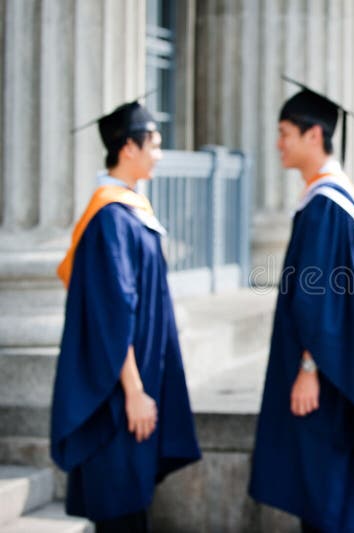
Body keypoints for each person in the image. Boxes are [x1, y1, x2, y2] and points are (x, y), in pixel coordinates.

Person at [248, 80, 354, 533]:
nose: (278, 144)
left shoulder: (328, 207)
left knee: (328, 495)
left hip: (326, 376)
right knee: (327, 492)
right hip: (333, 367)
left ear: (314, 135)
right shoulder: (331, 199)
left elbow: (327, 298)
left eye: (284, 133)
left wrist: (310, 367)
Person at [51, 101, 201, 533]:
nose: (158, 153)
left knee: (131, 507)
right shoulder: (110, 220)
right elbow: (111, 315)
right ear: (128, 148)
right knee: (119, 513)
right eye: (153, 144)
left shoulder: (131, 213)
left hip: (134, 394)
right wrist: (135, 391)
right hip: (116, 399)